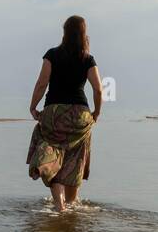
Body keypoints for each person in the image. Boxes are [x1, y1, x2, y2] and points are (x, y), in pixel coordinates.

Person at [27, 15, 102, 212]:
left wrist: (33, 106)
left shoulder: (52, 55)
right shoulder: (87, 59)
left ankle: (59, 206)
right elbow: (98, 89)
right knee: (75, 159)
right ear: (84, 33)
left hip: (55, 114)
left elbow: (42, 83)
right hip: (80, 115)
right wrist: (96, 113)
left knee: (51, 152)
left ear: (64, 32)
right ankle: (71, 207)